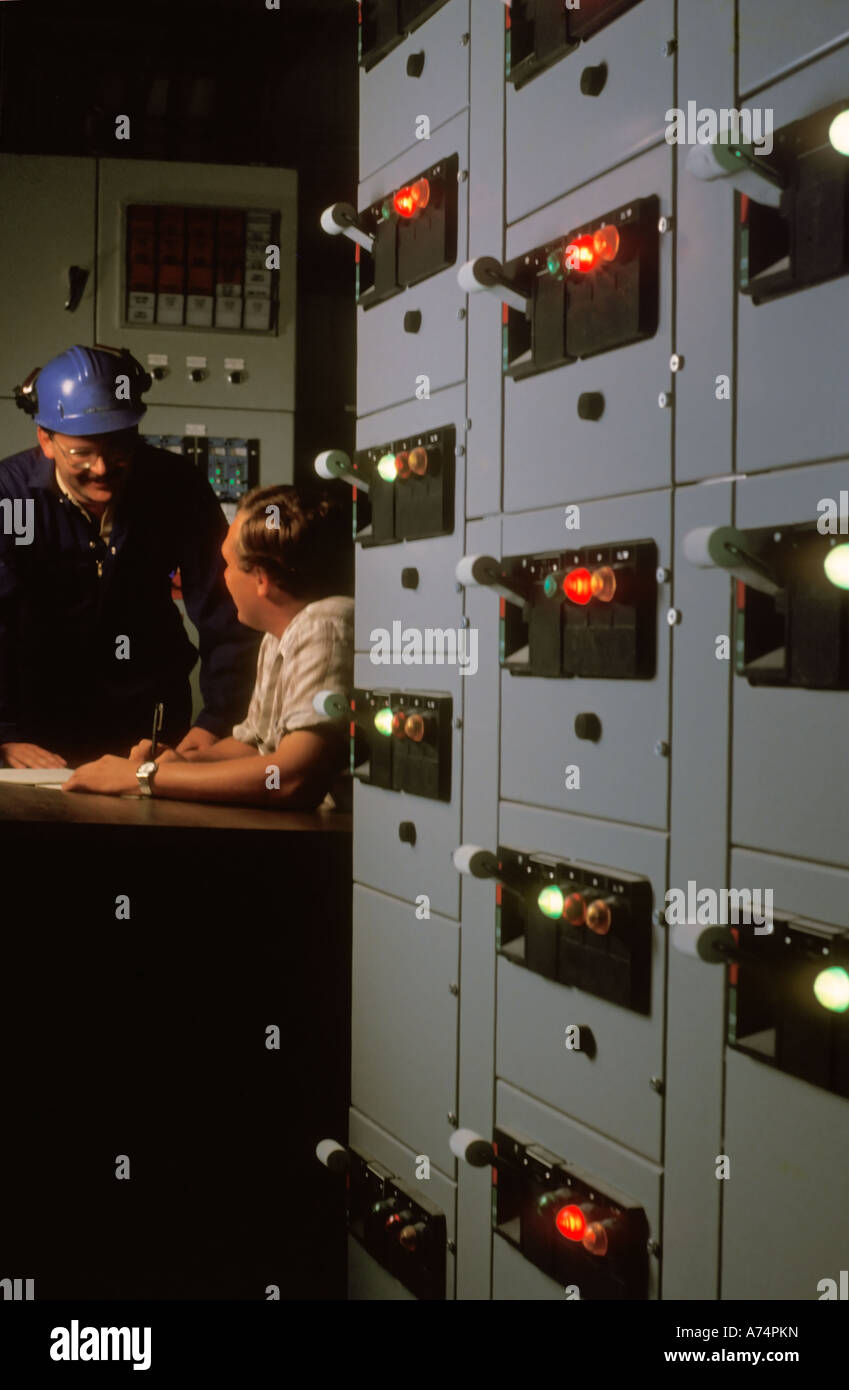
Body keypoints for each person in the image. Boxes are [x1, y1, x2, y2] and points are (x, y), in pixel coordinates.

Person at [0, 344, 259, 768]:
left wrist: (218, 722)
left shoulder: (176, 488)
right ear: (45, 440)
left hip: (149, 721)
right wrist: (4, 736)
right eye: (82, 452)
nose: (102, 468)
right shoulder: (11, 500)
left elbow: (228, 609)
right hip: (36, 729)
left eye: (118, 447)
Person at [63, 484, 355, 810]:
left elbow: (292, 779)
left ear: (261, 579)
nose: (222, 578)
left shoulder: (324, 625)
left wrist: (141, 777)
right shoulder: (280, 634)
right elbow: (254, 746)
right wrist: (181, 762)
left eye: (228, 564)